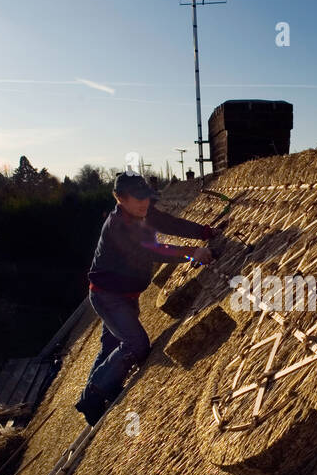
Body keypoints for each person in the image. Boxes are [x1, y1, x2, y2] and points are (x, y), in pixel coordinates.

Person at [74, 171, 219, 424]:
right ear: (119, 198)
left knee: (111, 346)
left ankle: (94, 395)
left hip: (125, 296)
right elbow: (153, 250)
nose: (145, 203)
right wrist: (191, 252)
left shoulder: (142, 213)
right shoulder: (119, 226)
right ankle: (92, 396)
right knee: (136, 344)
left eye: (147, 197)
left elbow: (171, 224)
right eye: (138, 198)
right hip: (108, 297)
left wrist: (203, 231)